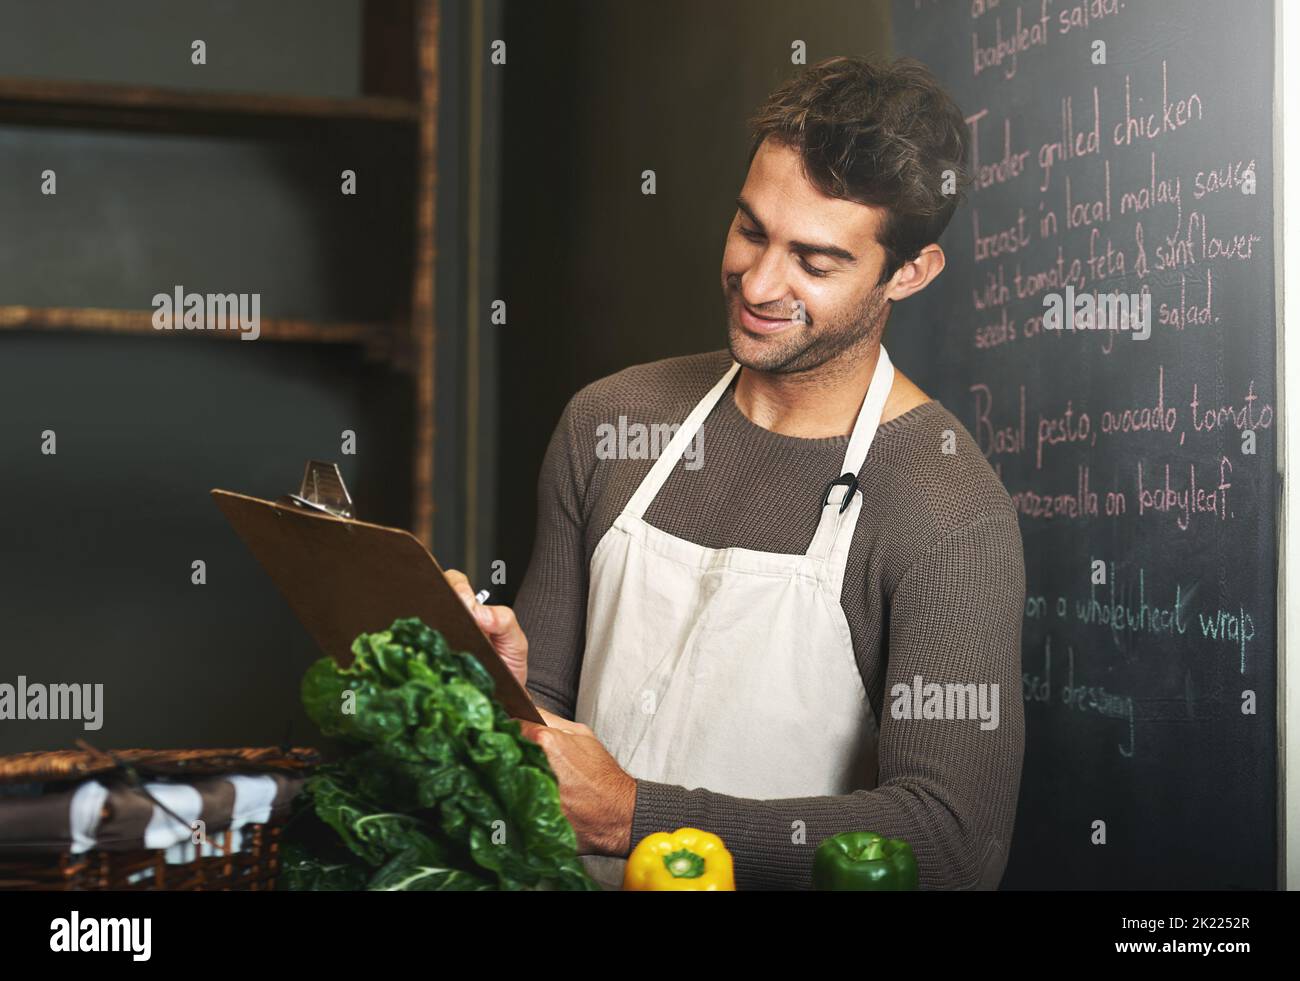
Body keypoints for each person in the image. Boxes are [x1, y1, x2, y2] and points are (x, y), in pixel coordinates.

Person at [446, 55, 1025, 890]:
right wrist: (499, 684)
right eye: (752, 230)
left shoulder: (947, 509)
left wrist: (634, 814)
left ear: (909, 272)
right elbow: (548, 720)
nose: (758, 284)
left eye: (815, 263)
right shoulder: (610, 423)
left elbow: (951, 842)